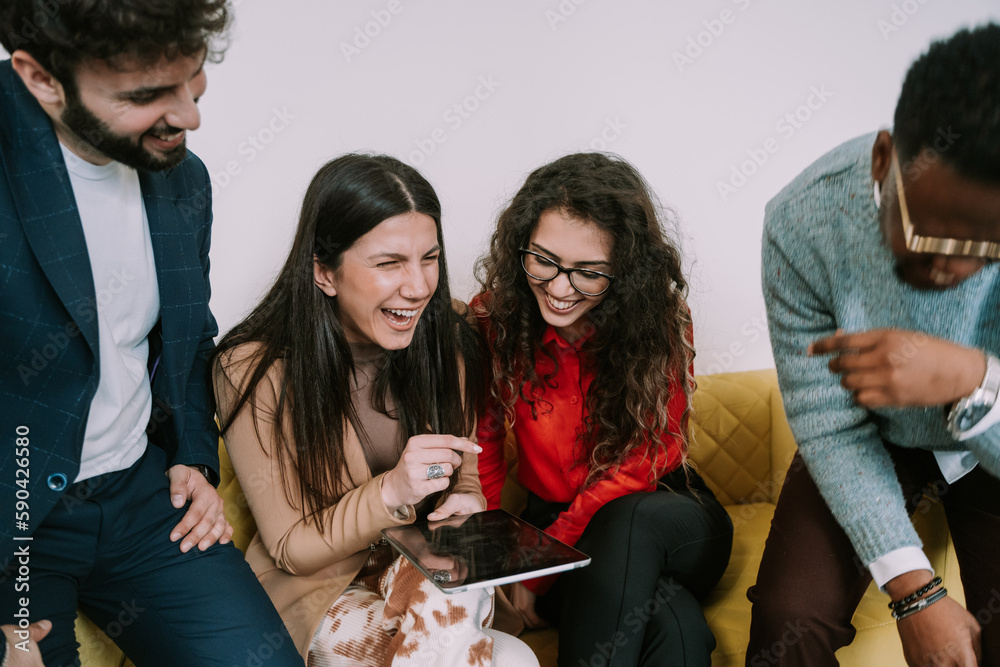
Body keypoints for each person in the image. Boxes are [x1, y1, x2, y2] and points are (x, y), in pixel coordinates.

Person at [0, 2, 305, 666]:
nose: (189, 117)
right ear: (41, 78)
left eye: (192, 79)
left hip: (139, 497)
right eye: (147, 95)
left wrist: (193, 456)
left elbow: (190, 337)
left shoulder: (182, 178)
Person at [212, 154, 538, 666]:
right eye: (389, 264)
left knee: (497, 639)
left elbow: (465, 472)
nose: (418, 286)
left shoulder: (448, 336)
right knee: (507, 655)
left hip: (421, 577)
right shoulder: (252, 368)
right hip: (322, 596)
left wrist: (467, 506)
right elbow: (291, 548)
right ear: (323, 272)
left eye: (429, 258)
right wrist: (392, 490)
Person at [749, 23, 1000, 667]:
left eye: (983, 247)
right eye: (927, 232)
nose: (949, 269)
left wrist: (975, 381)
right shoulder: (802, 221)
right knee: (788, 622)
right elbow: (830, 427)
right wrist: (914, 593)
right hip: (868, 436)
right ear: (885, 160)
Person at [472, 152, 734, 666]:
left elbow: (646, 460)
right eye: (543, 260)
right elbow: (483, 446)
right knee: (673, 623)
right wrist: (500, 568)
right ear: (520, 244)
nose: (559, 287)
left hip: (667, 513)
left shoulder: (659, 322)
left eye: (588, 273)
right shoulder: (495, 321)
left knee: (626, 522)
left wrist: (541, 570)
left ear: (625, 273)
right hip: (562, 534)